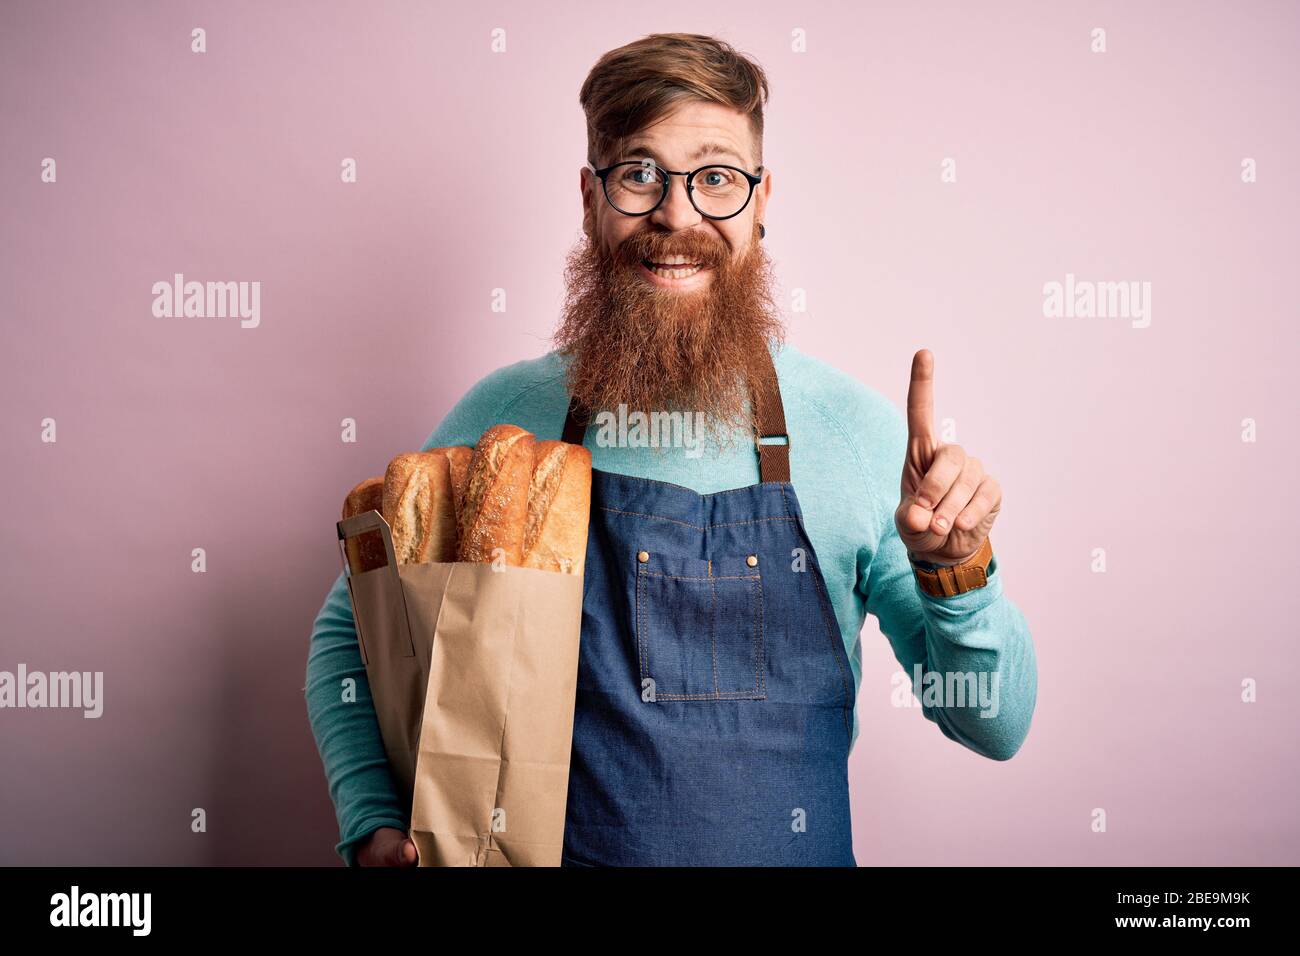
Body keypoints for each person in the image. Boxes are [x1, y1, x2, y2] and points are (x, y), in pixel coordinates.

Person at [305, 32, 1037, 867]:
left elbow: (997, 726)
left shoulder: (852, 435)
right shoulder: (506, 417)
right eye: (639, 172)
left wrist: (961, 575)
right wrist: (369, 816)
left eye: (717, 177)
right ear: (590, 198)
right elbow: (350, 633)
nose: (678, 216)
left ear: (762, 202)